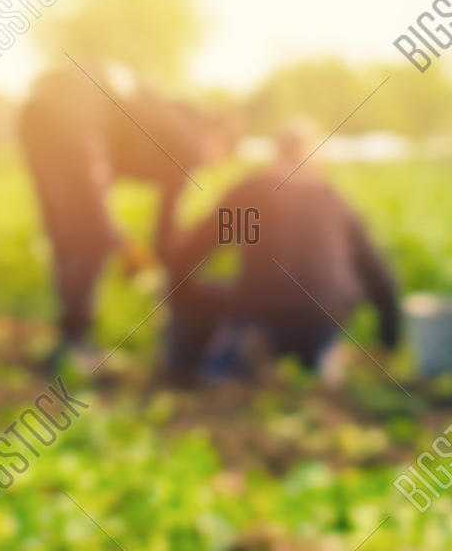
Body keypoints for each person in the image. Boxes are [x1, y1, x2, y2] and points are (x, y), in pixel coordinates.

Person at [18, 62, 234, 358]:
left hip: (34, 115)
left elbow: (93, 193)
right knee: (90, 236)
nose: (210, 166)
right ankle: (75, 344)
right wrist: (144, 256)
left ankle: (69, 341)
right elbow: (164, 231)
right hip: (75, 114)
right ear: (218, 136)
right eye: (221, 155)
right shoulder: (192, 141)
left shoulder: (165, 120)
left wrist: (124, 244)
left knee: (67, 231)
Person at [160, 119, 400, 385]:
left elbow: (190, 254)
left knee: (203, 294)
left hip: (261, 315)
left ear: (276, 155)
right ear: (317, 160)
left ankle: (192, 369)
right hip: (325, 318)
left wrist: (176, 293)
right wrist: (388, 344)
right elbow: (380, 279)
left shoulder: (251, 192)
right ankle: (319, 357)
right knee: (333, 299)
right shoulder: (335, 200)